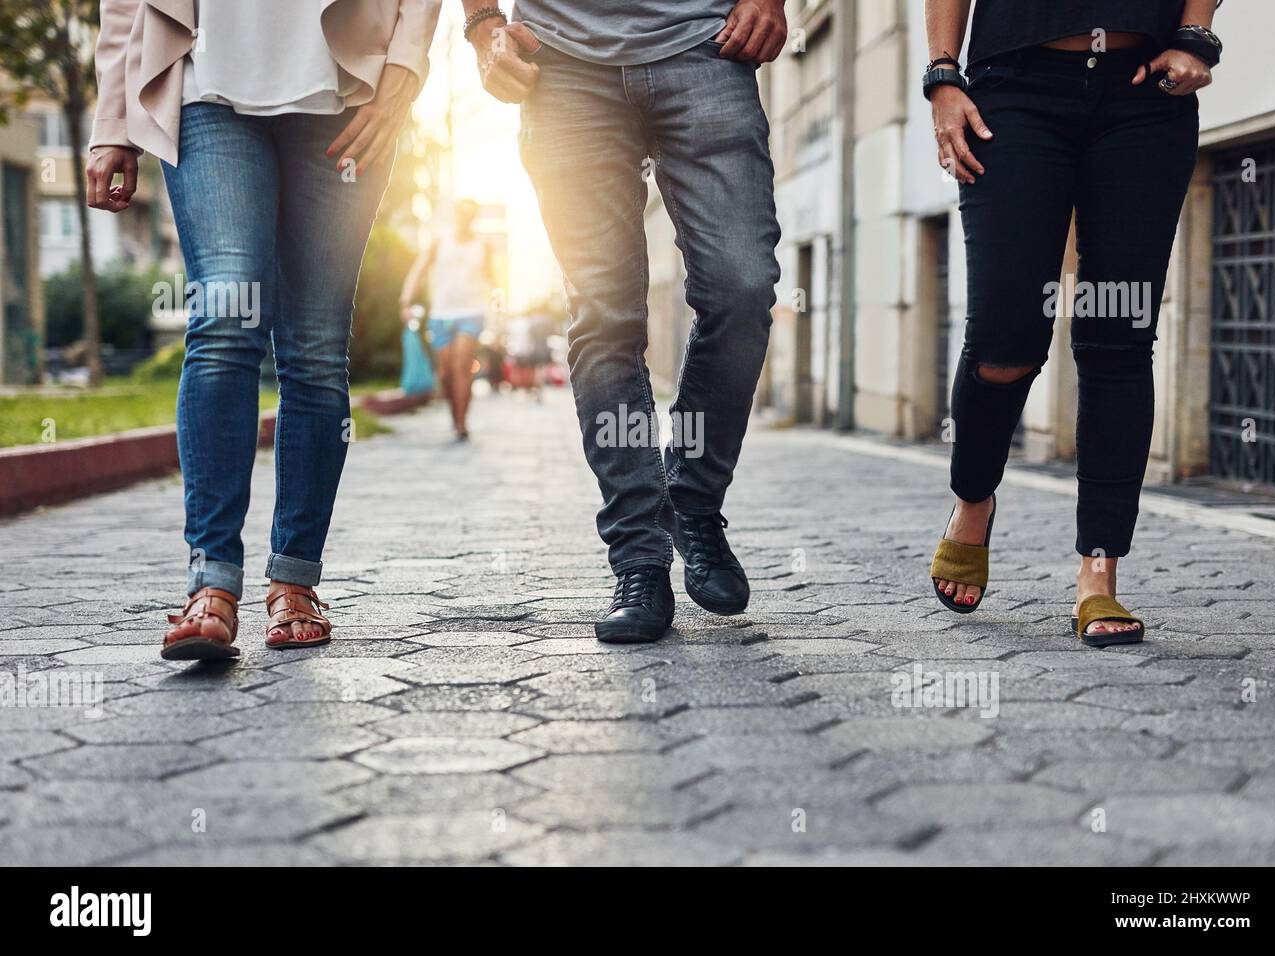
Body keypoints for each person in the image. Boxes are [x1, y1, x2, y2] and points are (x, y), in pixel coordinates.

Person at [86, 0, 440, 660]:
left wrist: (405, 69)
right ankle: (211, 583)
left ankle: (294, 580)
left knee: (313, 345)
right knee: (224, 315)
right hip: (203, 81)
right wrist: (112, 121)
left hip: (343, 88)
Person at [463, 0, 785, 643]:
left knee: (742, 287)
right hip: (560, 63)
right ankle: (639, 556)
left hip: (708, 44)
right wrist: (481, 25)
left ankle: (691, 498)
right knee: (605, 317)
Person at [923, 0, 1221, 646]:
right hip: (1013, 88)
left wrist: (1197, 32)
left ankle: (1099, 571)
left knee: (1117, 337)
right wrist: (942, 74)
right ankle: (974, 499)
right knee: (1005, 340)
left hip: (1145, 93)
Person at [400, 199, 495, 440]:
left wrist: (497, 302)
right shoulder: (440, 242)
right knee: (445, 371)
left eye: (469, 215)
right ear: (455, 216)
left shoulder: (483, 246)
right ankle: (455, 417)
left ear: (474, 217)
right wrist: (406, 300)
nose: (465, 219)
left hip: (472, 312)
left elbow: (493, 279)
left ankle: (462, 424)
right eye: (461, 214)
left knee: (462, 365)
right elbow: (419, 271)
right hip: (441, 314)